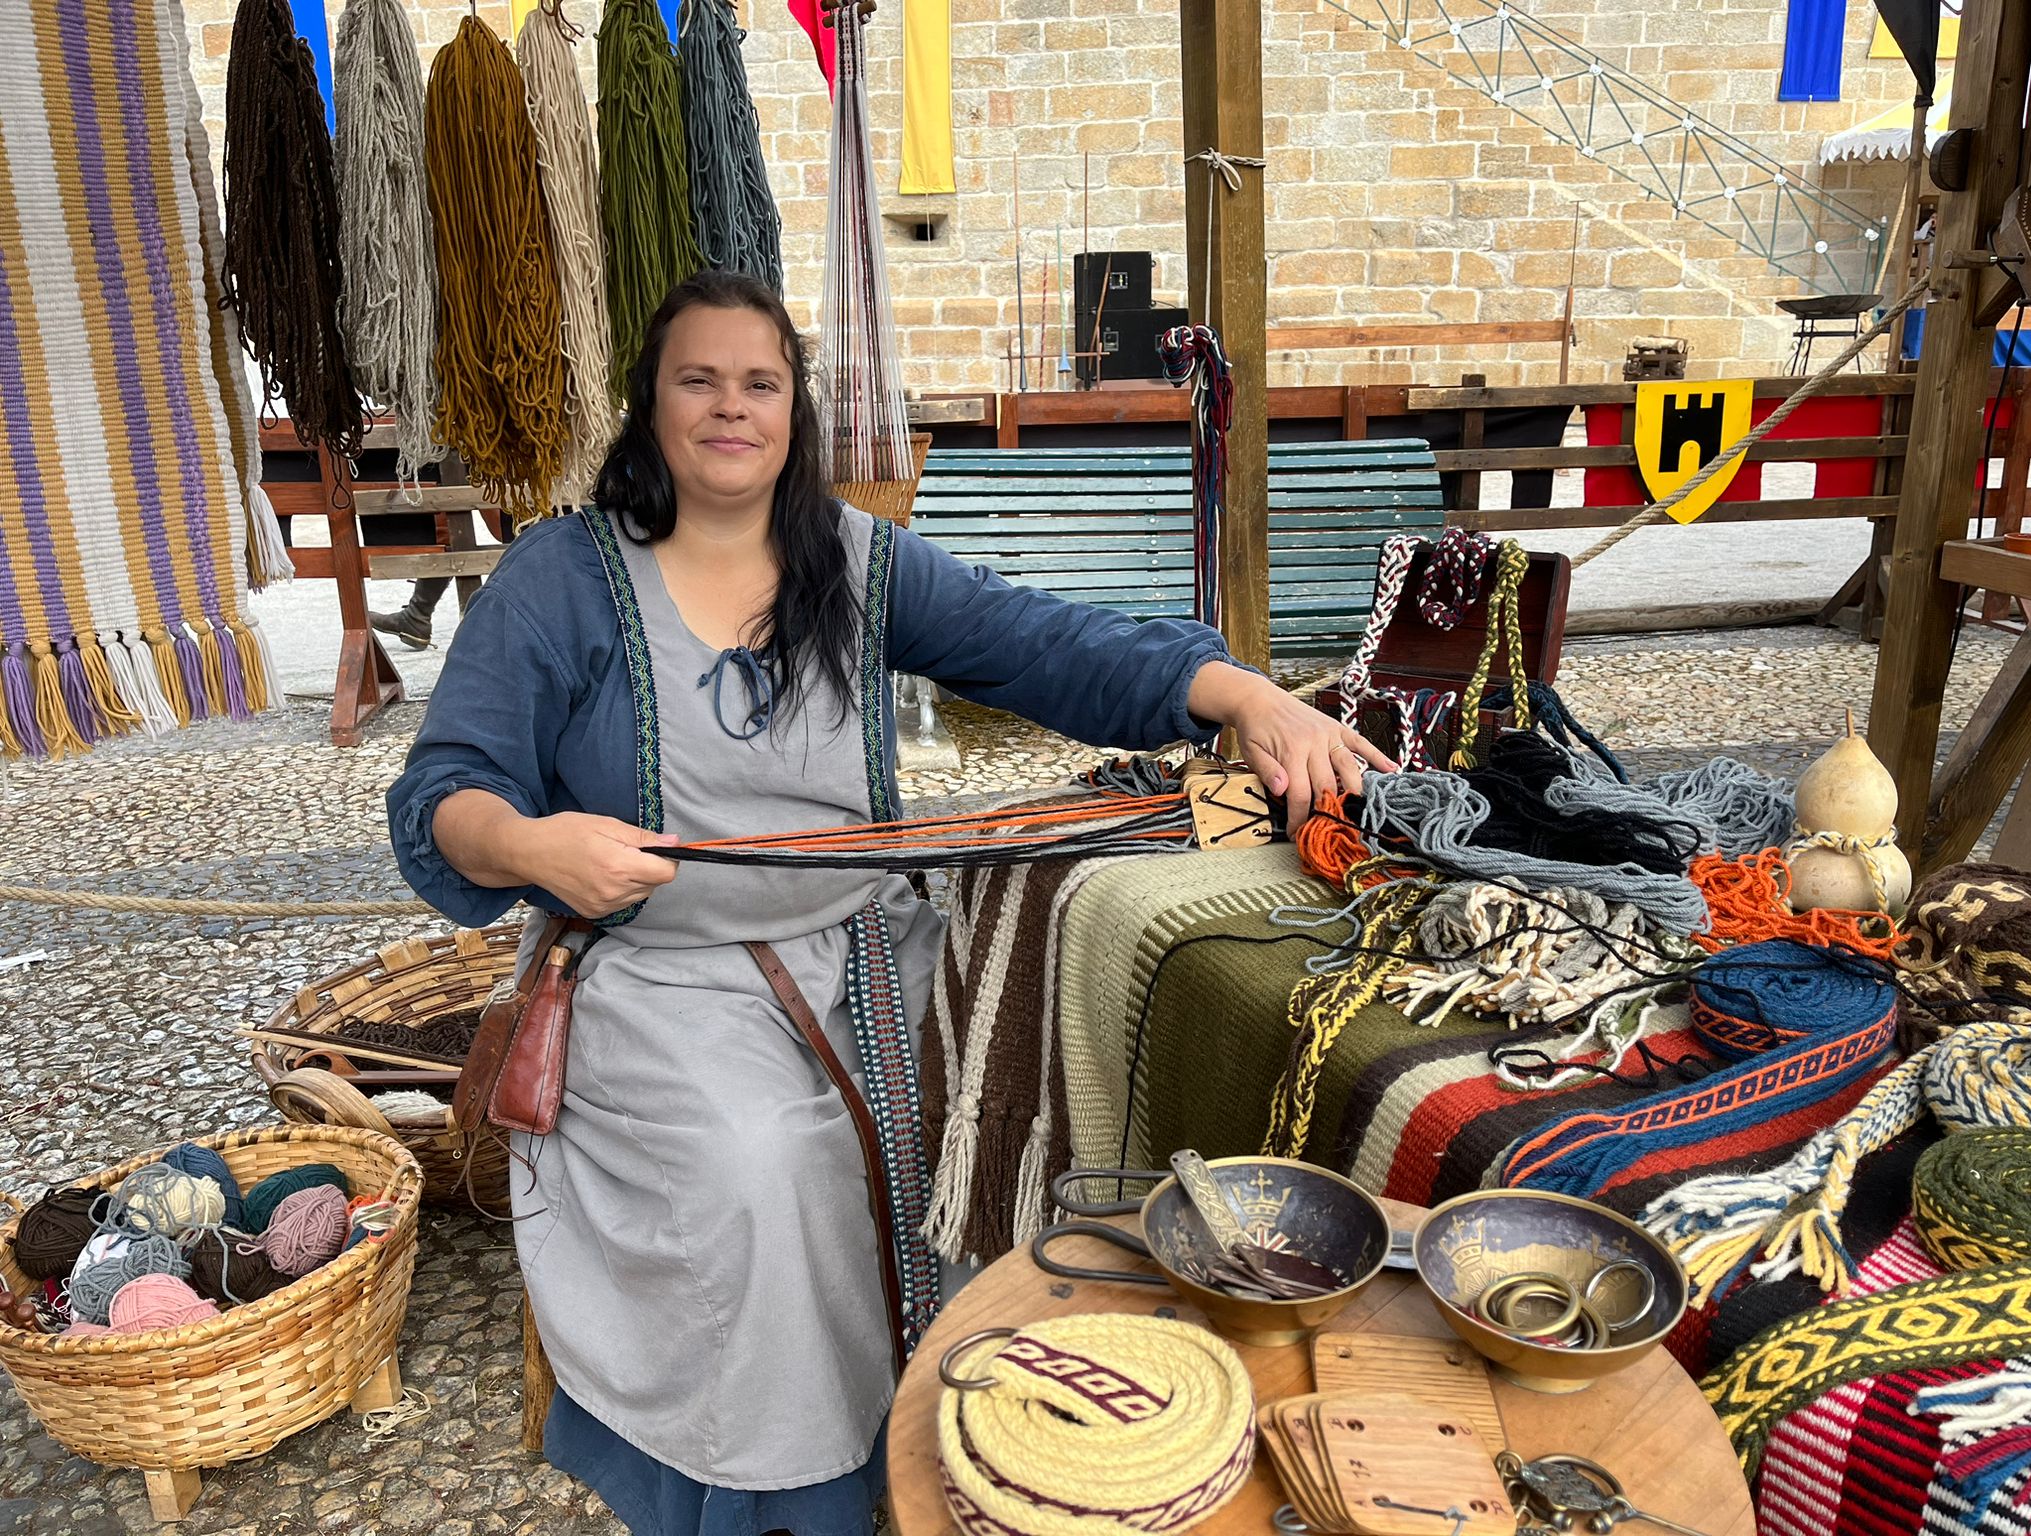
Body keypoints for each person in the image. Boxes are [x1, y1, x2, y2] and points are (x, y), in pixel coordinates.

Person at [386, 270, 1390, 1536]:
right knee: (762, 1163)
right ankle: (784, 1494)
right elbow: (442, 794)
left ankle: (975, 1442)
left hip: (868, 949)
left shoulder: (852, 561)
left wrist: (1241, 695)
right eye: (699, 380)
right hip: (659, 978)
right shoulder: (563, 579)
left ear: (793, 411)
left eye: (760, 384)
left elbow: (1040, 642)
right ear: (650, 404)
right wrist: (534, 844)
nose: (731, 408)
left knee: (1021, 1101)